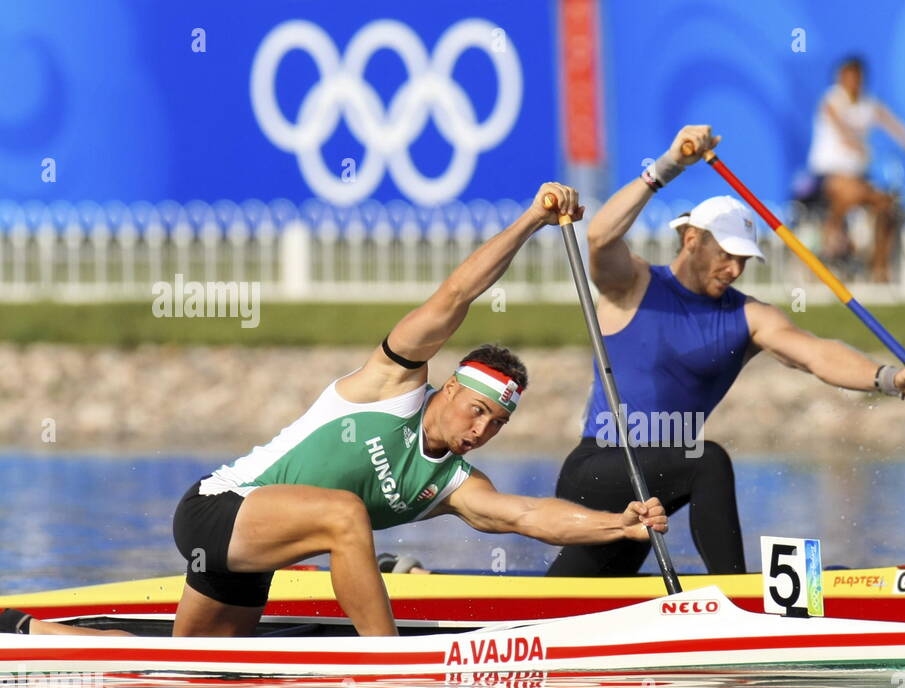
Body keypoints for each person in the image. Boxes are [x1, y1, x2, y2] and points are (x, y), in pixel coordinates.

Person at [2, 184, 667, 638]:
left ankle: (27, 635)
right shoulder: (393, 383)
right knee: (345, 515)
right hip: (215, 509)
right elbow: (458, 291)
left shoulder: (451, 485)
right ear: (450, 388)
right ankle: (385, 659)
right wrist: (529, 220)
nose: (483, 429)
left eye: (498, 424)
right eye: (478, 410)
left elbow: (528, 516)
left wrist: (621, 525)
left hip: (253, 552)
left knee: (193, 671)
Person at [545, 126, 905, 578]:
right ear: (691, 240)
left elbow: (816, 354)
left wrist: (888, 378)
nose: (734, 269)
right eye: (726, 254)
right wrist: (669, 164)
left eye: (744, 259)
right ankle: (734, 593)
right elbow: (598, 237)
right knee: (708, 460)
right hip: (599, 467)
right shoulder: (632, 284)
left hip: (656, 486)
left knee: (590, 583)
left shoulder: (749, 317)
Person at [806, 55, 905, 282]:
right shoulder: (831, 100)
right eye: (847, 77)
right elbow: (841, 127)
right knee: (851, 192)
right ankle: (834, 242)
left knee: (886, 204)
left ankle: (878, 266)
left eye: (856, 77)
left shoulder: (868, 104)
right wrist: (857, 144)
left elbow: (892, 124)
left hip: (858, 176)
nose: (852, 82)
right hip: (828, 176)